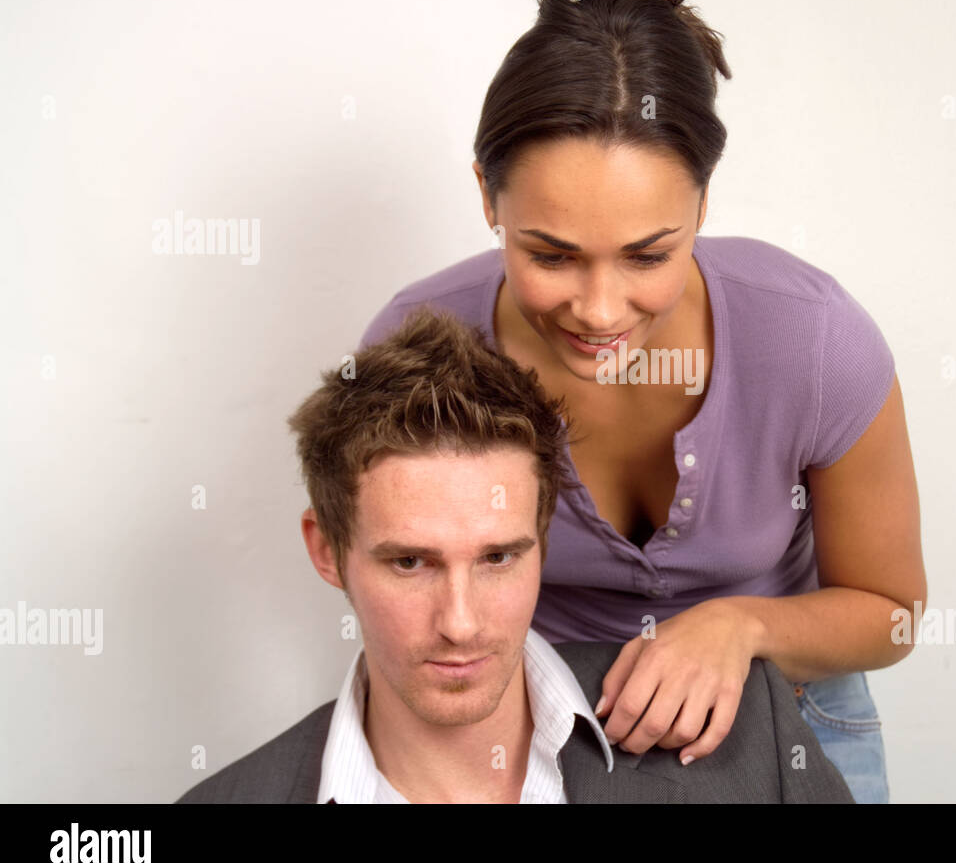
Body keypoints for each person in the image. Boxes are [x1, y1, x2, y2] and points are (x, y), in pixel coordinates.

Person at [358, 0, 927, 804]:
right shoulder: (419, 346)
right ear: (487, 197)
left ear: (703, 202)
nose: (598, 310)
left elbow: (891, 611)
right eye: (551, 255)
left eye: (648, 255)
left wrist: (739, 626)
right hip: (537, 725)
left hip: (795, 704)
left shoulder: (812, 340)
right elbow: (403, 581)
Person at [176, 307, 854, 803]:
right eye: (410, 563)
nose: (461, 623)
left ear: (544, 538)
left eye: (498, 558)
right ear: (327, 551)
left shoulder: (748, 733)